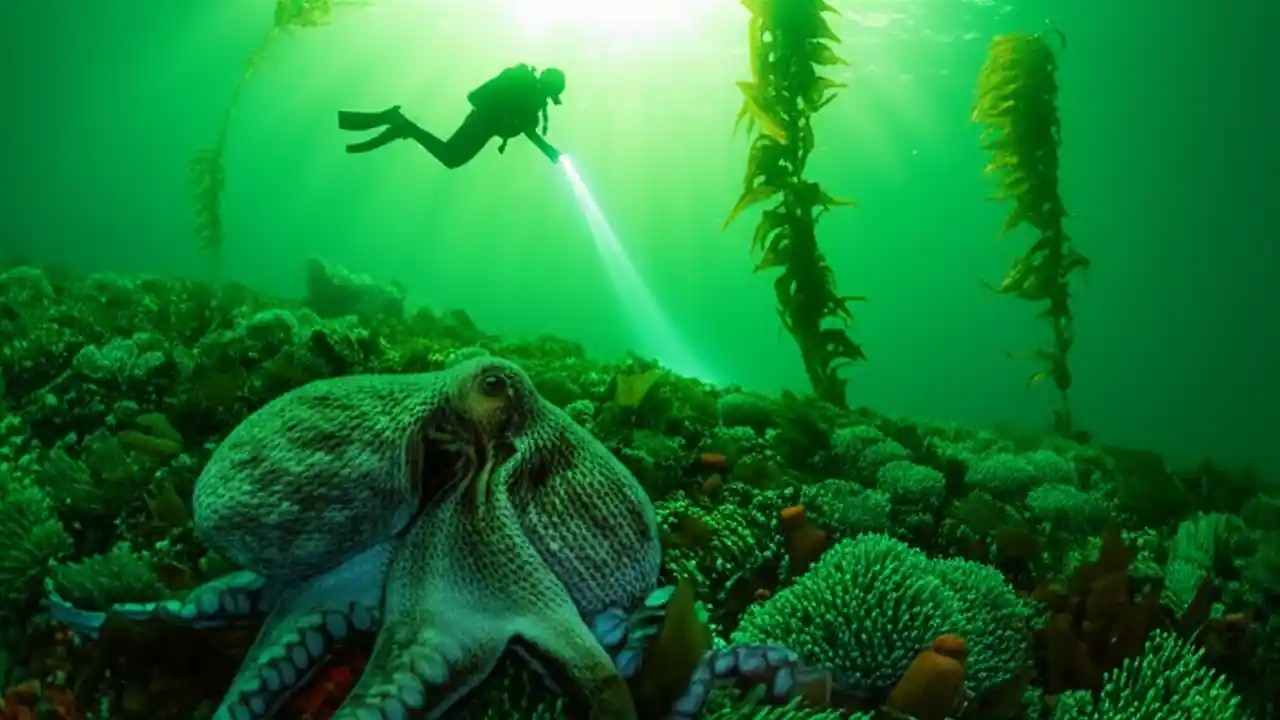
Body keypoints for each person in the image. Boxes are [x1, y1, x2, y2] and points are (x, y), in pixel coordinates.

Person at [338, 64, 565, 168]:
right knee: (451, 158)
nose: (550, 98)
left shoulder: (530, 96)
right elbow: (525, 128)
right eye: (553, 92)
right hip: (481, 123)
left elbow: (526, 129)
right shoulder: (526, 91)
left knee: (451, 158)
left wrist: (548, 151)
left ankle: (402, 125)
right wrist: (548, 150)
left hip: (482, 123)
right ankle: (402, 125)